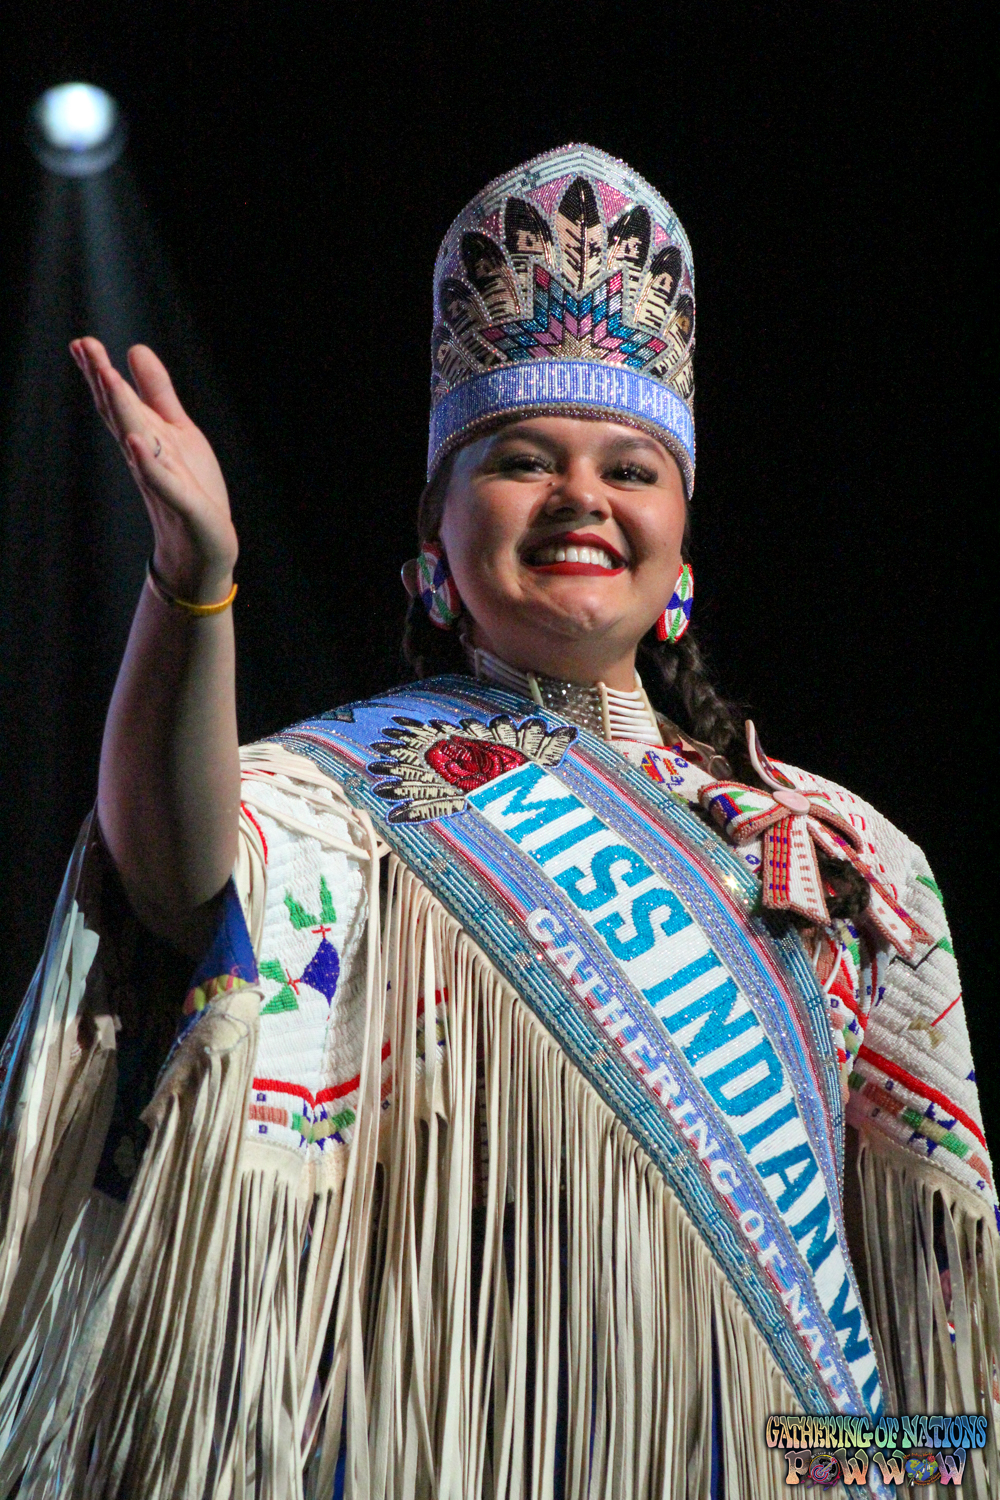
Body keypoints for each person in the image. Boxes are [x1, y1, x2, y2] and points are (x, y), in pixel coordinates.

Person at [0, 143, 996, 1499]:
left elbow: (942, 1355)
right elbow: (173, 875)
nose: (583, 496)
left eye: (631, 467)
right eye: (526, 460)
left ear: (680, 547)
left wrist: (846, 1471)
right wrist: (194, 582)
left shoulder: (849, 859)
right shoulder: (340, 800)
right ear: (437, 537)